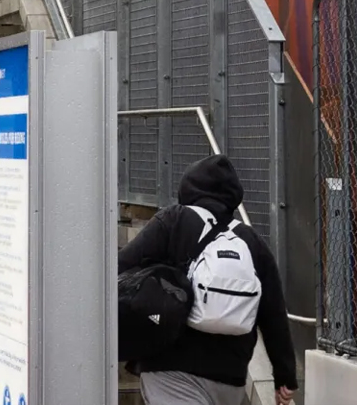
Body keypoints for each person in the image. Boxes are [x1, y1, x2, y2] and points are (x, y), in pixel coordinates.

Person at [119, 154, 297, 405]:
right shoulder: (249, 239)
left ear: (188, 188)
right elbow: (274, 313)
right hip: (230, 378)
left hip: (171, 371)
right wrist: (284, 375)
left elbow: (120, 267)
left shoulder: (173, 221)